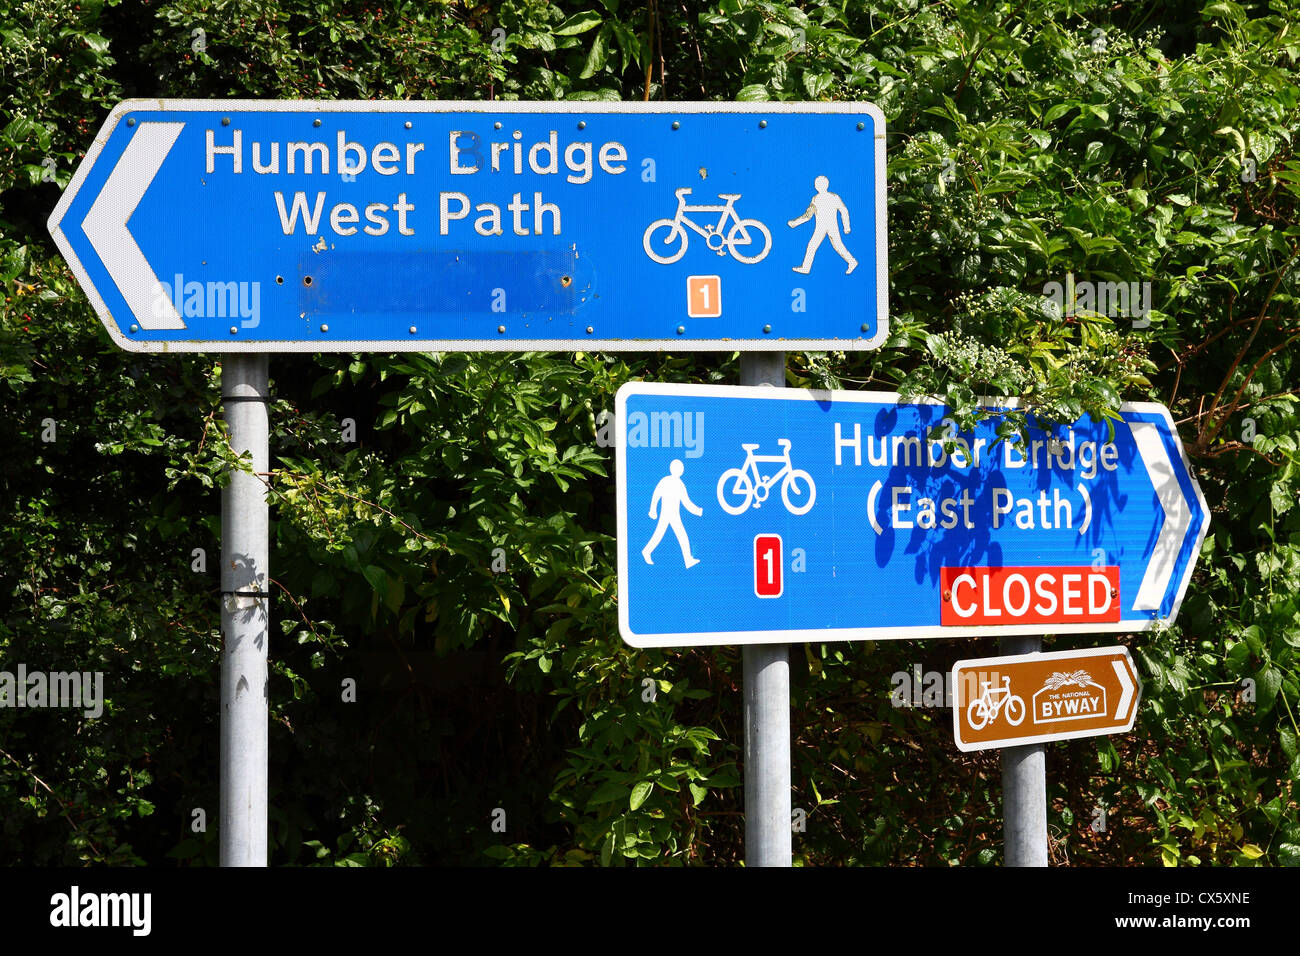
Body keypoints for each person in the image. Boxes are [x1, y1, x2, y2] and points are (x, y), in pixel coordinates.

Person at [788, 175, 857, 274]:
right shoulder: (815, 198)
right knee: (812, 246)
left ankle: (852, 261)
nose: (818, 186)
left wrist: (846, 227)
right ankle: (806, 268)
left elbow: (844, 210)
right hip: (820, 227)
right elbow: (808, 215)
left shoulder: (834, 197)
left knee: (838, 246)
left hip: (831, 226)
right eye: (817, 184)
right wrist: (795, 223)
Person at [642, 459, 703, 568]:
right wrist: (652, 509)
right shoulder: (668, 481)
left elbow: (686, 501)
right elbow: (656, 494)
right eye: (680, 468)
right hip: (667, 514)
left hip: (673, 514)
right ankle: (646, 551)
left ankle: (688, 560)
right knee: (664, 535)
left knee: (674, 535)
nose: (682, 470)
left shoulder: (679, 483)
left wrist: (697, 511)